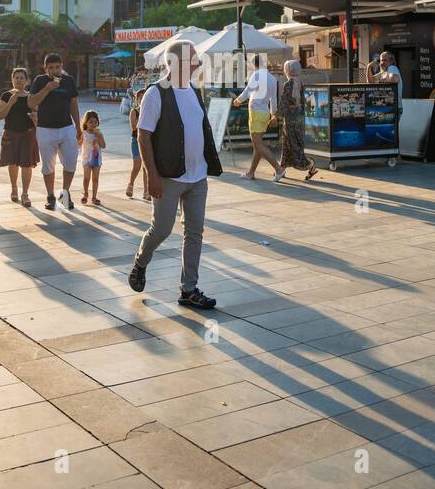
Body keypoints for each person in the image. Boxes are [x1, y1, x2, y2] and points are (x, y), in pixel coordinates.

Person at [128, 40, 222, 310]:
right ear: (176, 63)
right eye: (193, 58)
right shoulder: (156, 93)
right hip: (168, 176)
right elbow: (144, 136)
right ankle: (140, 261)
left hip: (197, 176)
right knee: (162, 229)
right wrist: (152, 176)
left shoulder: (194, 89)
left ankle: (188, 289)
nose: (198, 63)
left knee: (194, 232)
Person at [28, 52, 81, 211]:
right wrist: (47, 88)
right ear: (45, 68)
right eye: (50, 68)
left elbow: (73, 103)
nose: (54, 71)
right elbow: (31, 102)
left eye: (57, 67)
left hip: (66, 127)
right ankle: (50, 195)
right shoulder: (40, 81)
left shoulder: (69, 81)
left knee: (71, 162)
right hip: (45, 129)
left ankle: (65, 193)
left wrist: (78, 126)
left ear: (61, 67)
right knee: (48, 165)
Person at [232, 54, 283, 182]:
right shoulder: (272, 78)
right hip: (265, 112)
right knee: (257, 145)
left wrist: (238, 100)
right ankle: (251, 173)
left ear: (253, 64)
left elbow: (247, 91)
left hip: (256, 112)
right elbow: (274, 99)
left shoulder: (256, 75)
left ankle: (278, 168)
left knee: (258, 144)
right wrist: (274, 115)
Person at [0, 67, 39, 207]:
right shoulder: (6, 95)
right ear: (12, 80)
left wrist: (35, 118)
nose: (19, 80)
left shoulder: (31, 96)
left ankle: (25, 193)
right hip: (10, 132)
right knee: (12, 162)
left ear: (27, 81)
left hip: (27, 133)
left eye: (22, 78)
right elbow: (0, 115)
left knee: (27, 164)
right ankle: (14, 187)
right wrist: (11, 102)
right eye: (16, 78)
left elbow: (39, 118)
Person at [278, 59, 319, 181]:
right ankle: (281, 169)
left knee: (292, 144)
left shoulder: (288, 84)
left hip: (290, 119)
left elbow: (284, 102)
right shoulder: (300, 83)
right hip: (299, 118)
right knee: (288, 144)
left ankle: (309, 165)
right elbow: (302, 102)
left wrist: (276, 116)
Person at [126, 97, 149, 201]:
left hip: (148, 140)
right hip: (136, 140)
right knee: (137, 166)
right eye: (141, 98)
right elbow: (134, 127)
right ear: (137, 100)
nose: (143, 100)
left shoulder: (149, 111)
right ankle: (130, 184)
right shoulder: (134, 111)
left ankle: (146, 192)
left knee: (146, 167)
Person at [80, 110, 105, 206]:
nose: (93, 124)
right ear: (86, 122)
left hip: (96, 159)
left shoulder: (99, 133)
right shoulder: (84, 133)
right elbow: (78, 144)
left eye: (95, 122)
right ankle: (85, 193)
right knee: (86, 178)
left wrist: (98, 138)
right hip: (86, 158)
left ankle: (94, 197)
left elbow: (103, 146)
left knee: (95, 178)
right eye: (91, 122)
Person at [368, 50, 404, 115]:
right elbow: (370, 81)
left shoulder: (392, 68)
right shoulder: (383, 72)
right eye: (381, 60)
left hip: (395, 108)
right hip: (388, 108)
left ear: (391, 61)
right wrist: (369, 67)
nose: (382, 62)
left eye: (385, 60)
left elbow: (394, 78)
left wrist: (380, 80)